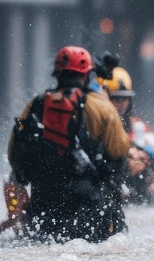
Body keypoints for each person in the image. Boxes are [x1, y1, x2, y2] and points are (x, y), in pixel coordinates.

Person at [7, 46, 130, 242]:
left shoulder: (35, 104)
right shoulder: (101, 107)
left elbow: (15, 157)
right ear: (87, 74)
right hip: (89, 208)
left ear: (57, 72)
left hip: (43, 206)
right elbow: (119, 153)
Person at [98, 65, 154, 204]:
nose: (121, 103)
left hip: (135, 187)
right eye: (116, 98)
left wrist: (145, 156)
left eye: (124, 98)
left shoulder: (136, 124)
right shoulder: (97, 124)